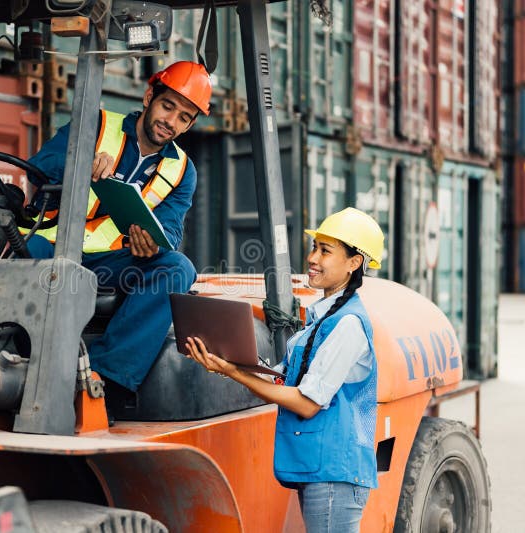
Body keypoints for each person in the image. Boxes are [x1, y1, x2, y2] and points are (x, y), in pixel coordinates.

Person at [185, 207, 384, 533]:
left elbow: (307, 401)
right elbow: (281, 378)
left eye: (325, 250)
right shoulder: (321, 318)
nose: (312, 258)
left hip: (335, 471)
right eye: (314, 247)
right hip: (321, 466)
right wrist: (225, 362)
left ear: (354, 263)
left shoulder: (347, 324)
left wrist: (236, 374)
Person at [24, 61, 212, 392]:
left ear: (190, 124)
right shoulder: (96, 125)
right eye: (167, 107)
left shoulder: (184, 171)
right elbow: (39, 169)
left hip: (109, 265)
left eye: (184, 117)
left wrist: (152, 244)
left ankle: (105, 377)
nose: (171, 122)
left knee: (177, 267)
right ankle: (16, 358)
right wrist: (82, 163)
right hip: (54, 245)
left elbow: (170, 231)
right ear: (148, 96)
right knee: (24, 251)